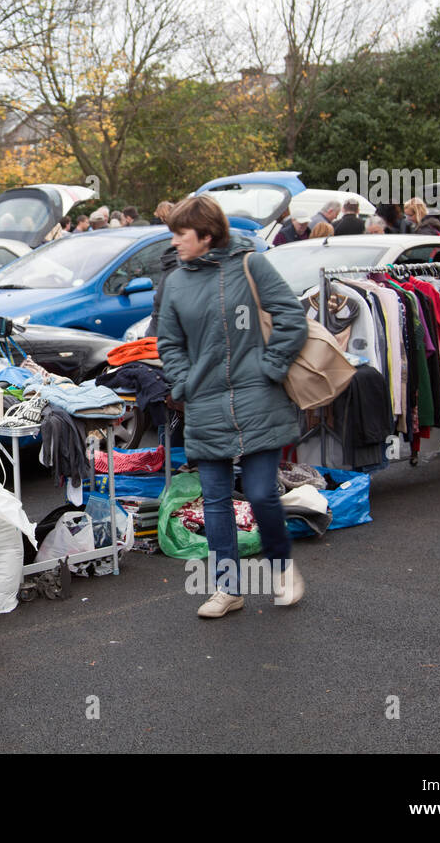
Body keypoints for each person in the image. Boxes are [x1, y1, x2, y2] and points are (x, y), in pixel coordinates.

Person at [156, 195, 308, 618]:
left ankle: (282, 568)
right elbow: (168, 342)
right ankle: (228, 589)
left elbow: (290, 317)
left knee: (261, 493)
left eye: (181, 235)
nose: (174, 243)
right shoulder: (176, 282)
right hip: (204, 402)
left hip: (257, 396)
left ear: (206, 235)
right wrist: (183, 381)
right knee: (216, 500)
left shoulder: (250, 265)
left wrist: (271, 366)